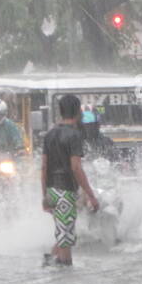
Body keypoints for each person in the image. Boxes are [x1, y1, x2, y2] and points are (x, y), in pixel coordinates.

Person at [40, 93, 100, 267]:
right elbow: (76, 168)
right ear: (77, 112)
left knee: (64, 234)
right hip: (66, 191)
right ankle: (64, 280)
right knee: (66, 240)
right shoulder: (74, 136)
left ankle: (48, 265)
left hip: (52, 190)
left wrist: (44, 196)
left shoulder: (49, 135)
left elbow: (43, 168)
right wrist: (91, 195)